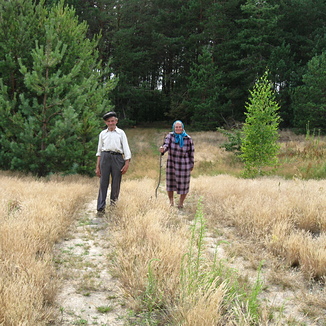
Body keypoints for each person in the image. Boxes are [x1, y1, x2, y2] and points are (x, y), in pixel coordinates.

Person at [96, 111, 131, 214]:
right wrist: (97, 166)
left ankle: (113, 205)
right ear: (106, 123)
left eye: (112, 121)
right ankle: (100, 207)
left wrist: (127, 163)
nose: (111, 123)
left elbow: (126, 148)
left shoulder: (121, 133)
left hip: (117, 158)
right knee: (103, 183)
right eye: (108, 121)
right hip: (105, 157)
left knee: (116, 183)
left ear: (116, 121)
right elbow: (99, 151)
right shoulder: (103, 134)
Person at [159, 120, 194, 209]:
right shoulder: (170, 136)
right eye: (176, 127)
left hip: (184, 164)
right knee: (170, 183)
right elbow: (166, 145)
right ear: (174, 128)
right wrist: (163, 149)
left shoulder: (188, 138)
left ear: (183, 128)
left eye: (180, 127)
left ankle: (181, 203)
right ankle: (171, 202)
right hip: (172, 163)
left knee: (184, 184)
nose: (178, 129)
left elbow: (191, 152)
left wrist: (191, 164)